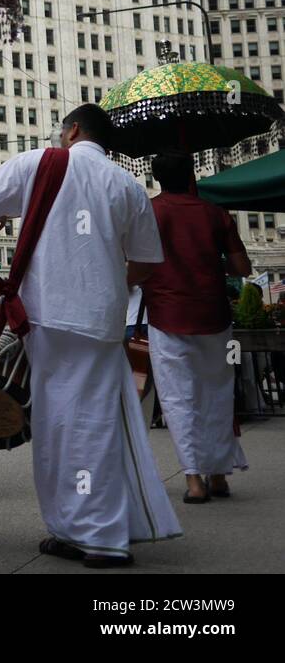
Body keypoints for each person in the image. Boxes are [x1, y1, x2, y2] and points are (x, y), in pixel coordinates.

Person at [0, 104, 181, 567]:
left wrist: (9, 214)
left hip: (42, 318)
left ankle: (86, 531)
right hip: (101, 318)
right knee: (93, 420)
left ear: (73, 131)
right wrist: (108, 280)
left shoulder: (35, 163)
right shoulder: (127, 185)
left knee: (56, 423)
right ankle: (86, 528)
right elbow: (146, 260)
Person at [143, 152, 252, 503]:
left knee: (178, 398)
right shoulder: (215, 213)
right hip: (214, 316)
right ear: (190, 175)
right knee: (217, 395)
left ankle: (194, 481)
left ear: (156, 177)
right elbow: (242, 267)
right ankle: (218, 475)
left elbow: (137, 268)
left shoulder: (151, 212)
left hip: (167, 315)